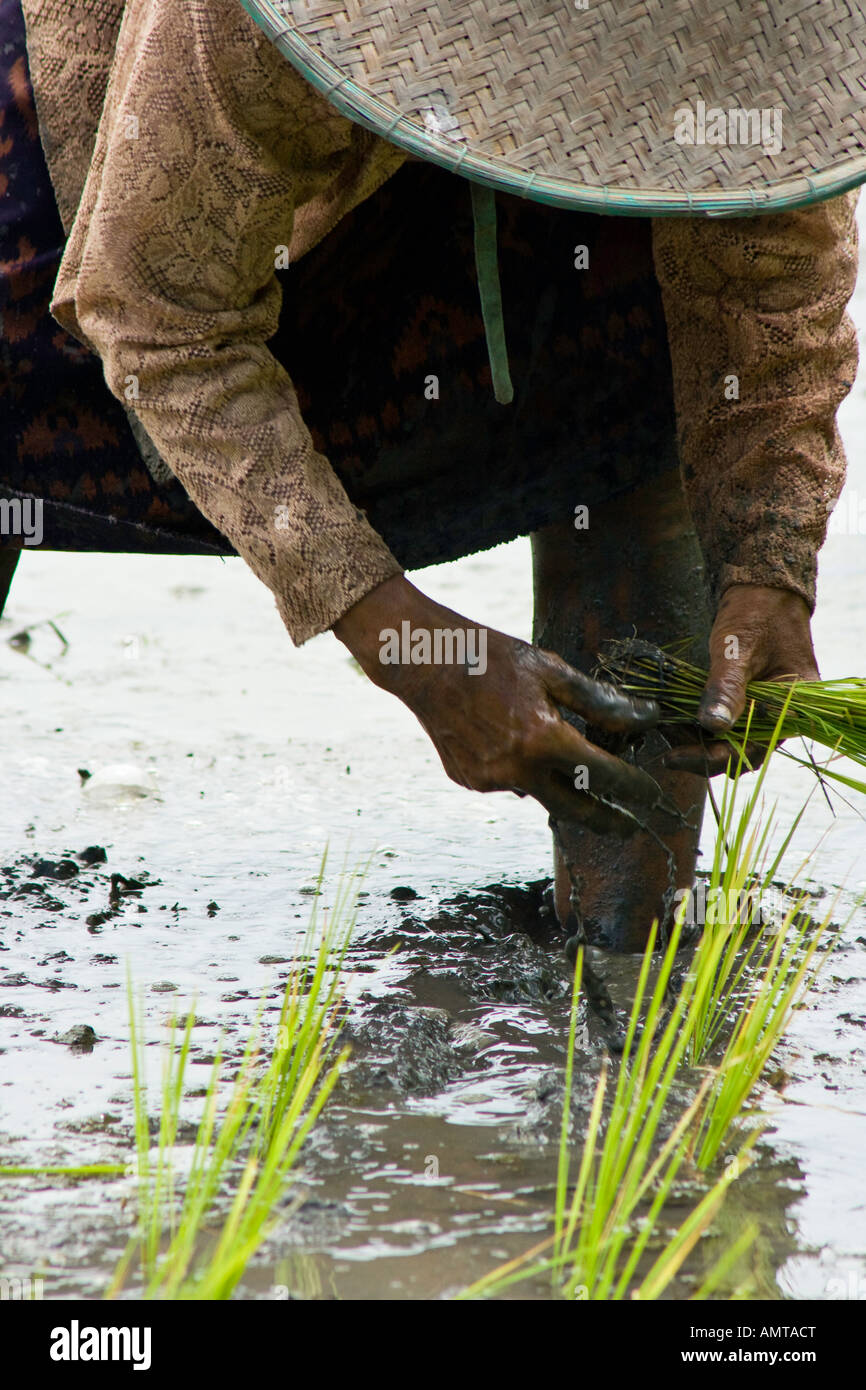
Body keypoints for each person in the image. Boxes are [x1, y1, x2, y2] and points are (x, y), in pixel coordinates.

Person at [3, 0, 862, 949]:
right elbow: (163, 321)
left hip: (542, 237)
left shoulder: (738, 32)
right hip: (173, 172)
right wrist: (415, 649)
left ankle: (628, 944)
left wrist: (769, 564)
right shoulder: (242, 23)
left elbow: (768, 277)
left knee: (649, 377)